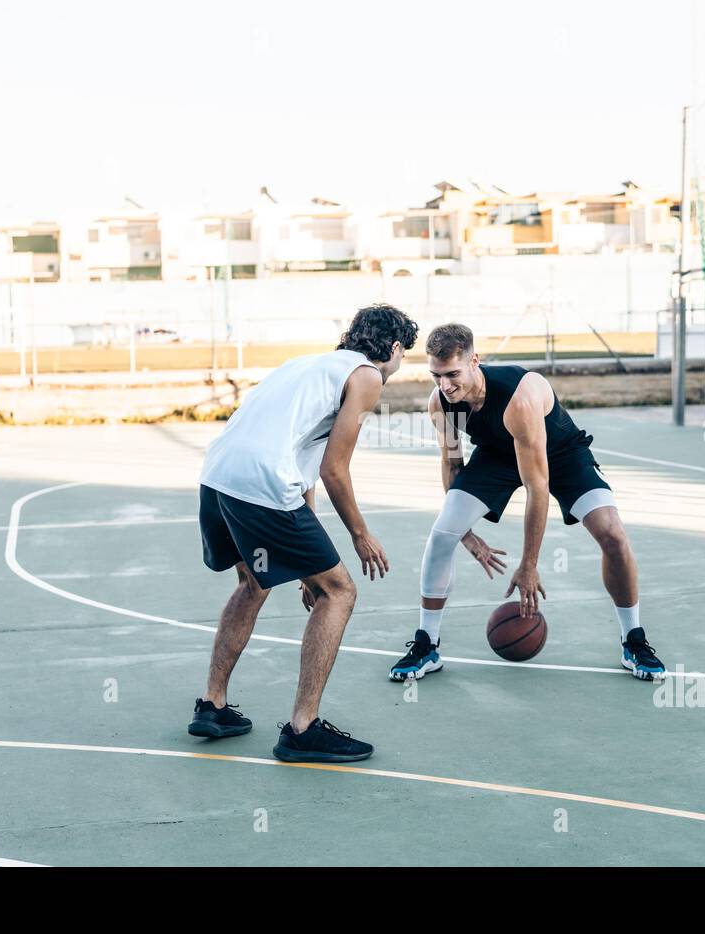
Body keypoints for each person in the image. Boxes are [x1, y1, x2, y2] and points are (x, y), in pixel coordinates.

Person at [192, 304, 418, 762]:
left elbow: (307, 472)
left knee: (253, 583)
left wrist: (301, 568)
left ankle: (212, 706)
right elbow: (336, 469)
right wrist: (360, 534)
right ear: (394, 349)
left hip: (218, 477)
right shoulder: (367, 376)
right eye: (403, 354)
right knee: (339, 592)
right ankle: (303, 728)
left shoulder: (306, 366)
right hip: (260, 485)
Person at [389, 322, 663, 682]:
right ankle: (427, 644)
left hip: (562, 454)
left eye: (452, 374)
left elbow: (538, 487)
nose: (444, 385)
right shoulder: (442, 404)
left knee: (612, 534)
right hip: (497, 457)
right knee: (442, 535)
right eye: (436, 376)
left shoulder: (518, 396)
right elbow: (452, 464)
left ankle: (633, 639)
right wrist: (467, 537)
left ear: (475, 361)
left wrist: (528, 565)